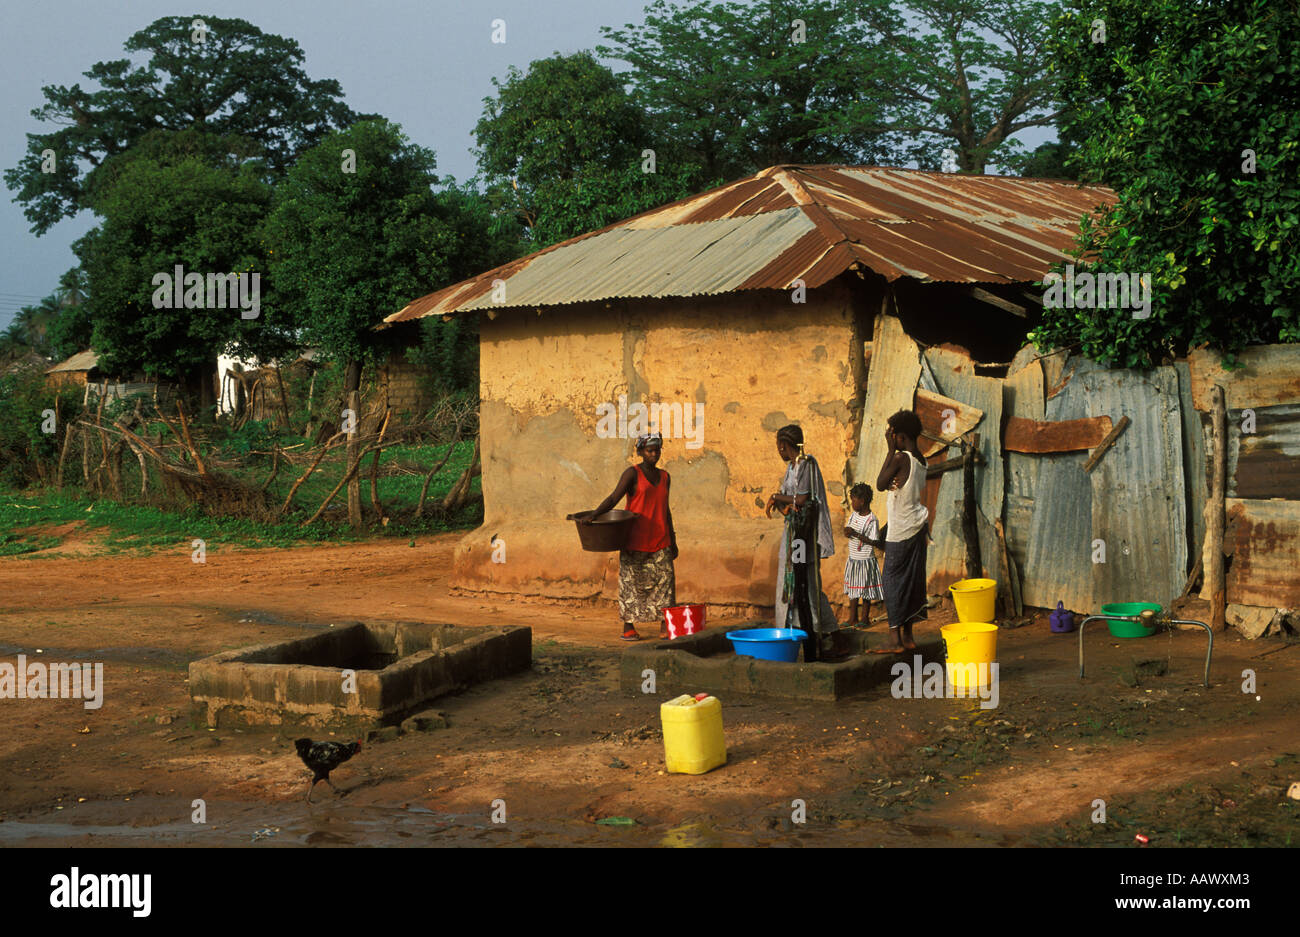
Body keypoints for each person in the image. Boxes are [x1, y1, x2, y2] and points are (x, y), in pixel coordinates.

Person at [590, 432, 678, 641]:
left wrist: (673, 540)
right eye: (649, 450)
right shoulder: (632, 474)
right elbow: (613, 498)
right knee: (631, 583)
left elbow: (666, 510)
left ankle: (665, 625)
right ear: (640, 452)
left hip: (661, 539)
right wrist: (594, 515)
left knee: (665, 583)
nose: (654, 454)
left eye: (657, 450)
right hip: (635, 539)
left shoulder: (665, 477)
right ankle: (628, 626)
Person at [765, 424, 839, 662]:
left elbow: (804, 497)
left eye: (780, 447)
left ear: (787, 445)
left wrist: (776, 497)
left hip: (804, 536)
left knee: (806, 585)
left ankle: (822, 635)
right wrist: (782, 503)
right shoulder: (792, 468)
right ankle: (800, 634)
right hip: (794, 532)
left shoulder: (806, 464)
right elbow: (792, 502)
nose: (779, 452)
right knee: (797, 584)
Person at [872, 409, 930, 654]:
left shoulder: (900, 458)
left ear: (900, 436)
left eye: (892, 435)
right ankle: (908, 636)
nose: (890, 438)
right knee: (911, 581)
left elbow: (880, 483)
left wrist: (889, 451)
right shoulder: (921, 460)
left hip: (902, 530)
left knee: (892, 581)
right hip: (918, 527)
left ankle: (895, 640)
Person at [843, 482, 885, 627]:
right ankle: (852, 618)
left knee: (865, 591)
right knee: (853, 591)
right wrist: (848, 532)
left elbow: (874, 540)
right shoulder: (854, 515)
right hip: (854, 559)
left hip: (865, 560)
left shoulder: (872, 519)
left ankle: (864, 619)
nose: (852, 503)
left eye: (854, 500)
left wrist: (855, 534)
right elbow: (849, 528)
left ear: (862, 501)